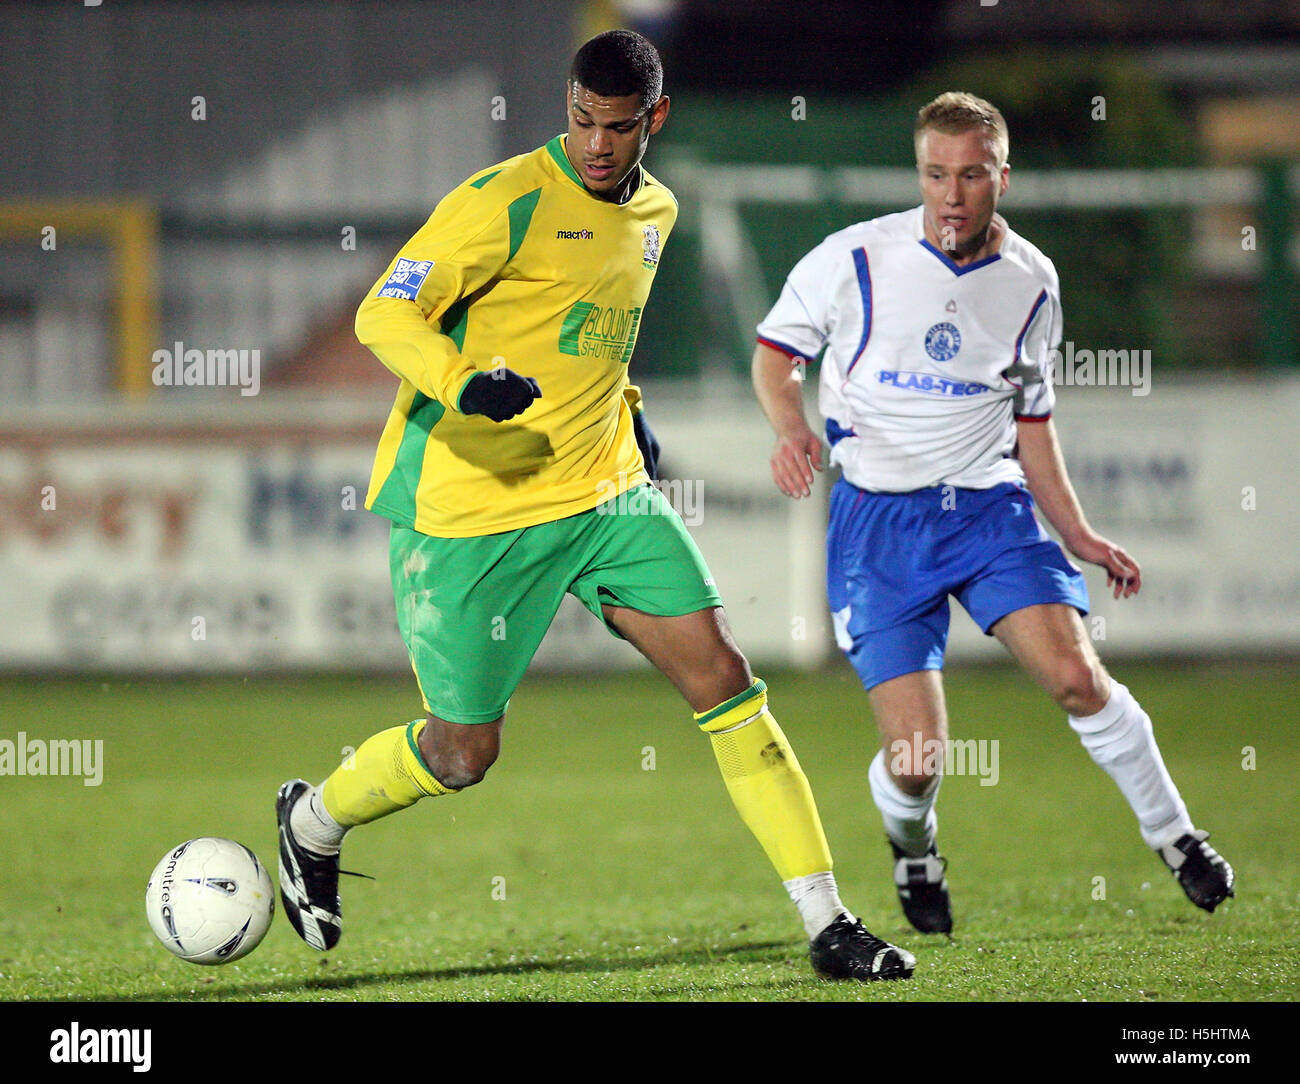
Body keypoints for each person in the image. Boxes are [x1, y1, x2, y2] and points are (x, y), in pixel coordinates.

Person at [276, 29, 915, 982]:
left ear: (652, 119)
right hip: (473, 510)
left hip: (606, 493)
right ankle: (313, 820)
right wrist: (464, 383)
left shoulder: (655, 209)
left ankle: (828, 922)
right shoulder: (504, 202)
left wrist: (630, 413)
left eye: (617, 127)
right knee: (461, 754)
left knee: (725, 676)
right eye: (581, 123)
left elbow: (591, 337)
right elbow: (384, 312)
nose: (598, 145)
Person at [751, 91, 1234, 936]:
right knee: (916, 760)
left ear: (1001, 178)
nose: (951, 193)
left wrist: (1077, 533)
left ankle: (1177, 836)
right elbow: (775, 358)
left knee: (1080, 678)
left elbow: (1033, 425)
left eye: (970, 174)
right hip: (878, 524)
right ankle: (914, 847)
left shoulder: (1032, 282)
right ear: (920, 174)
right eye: (935, 174)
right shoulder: (854, 257)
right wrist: (791, 428)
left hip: (988, 509)